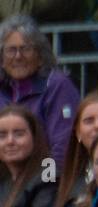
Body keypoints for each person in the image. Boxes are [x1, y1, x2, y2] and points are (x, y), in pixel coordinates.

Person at [0, 14, 79, 171]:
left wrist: (43, 185)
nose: (18, 56)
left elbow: (61, 149)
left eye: (26, 49)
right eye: (11, 50)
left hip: (44, 184)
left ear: (40, 55)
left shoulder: (57, 86)